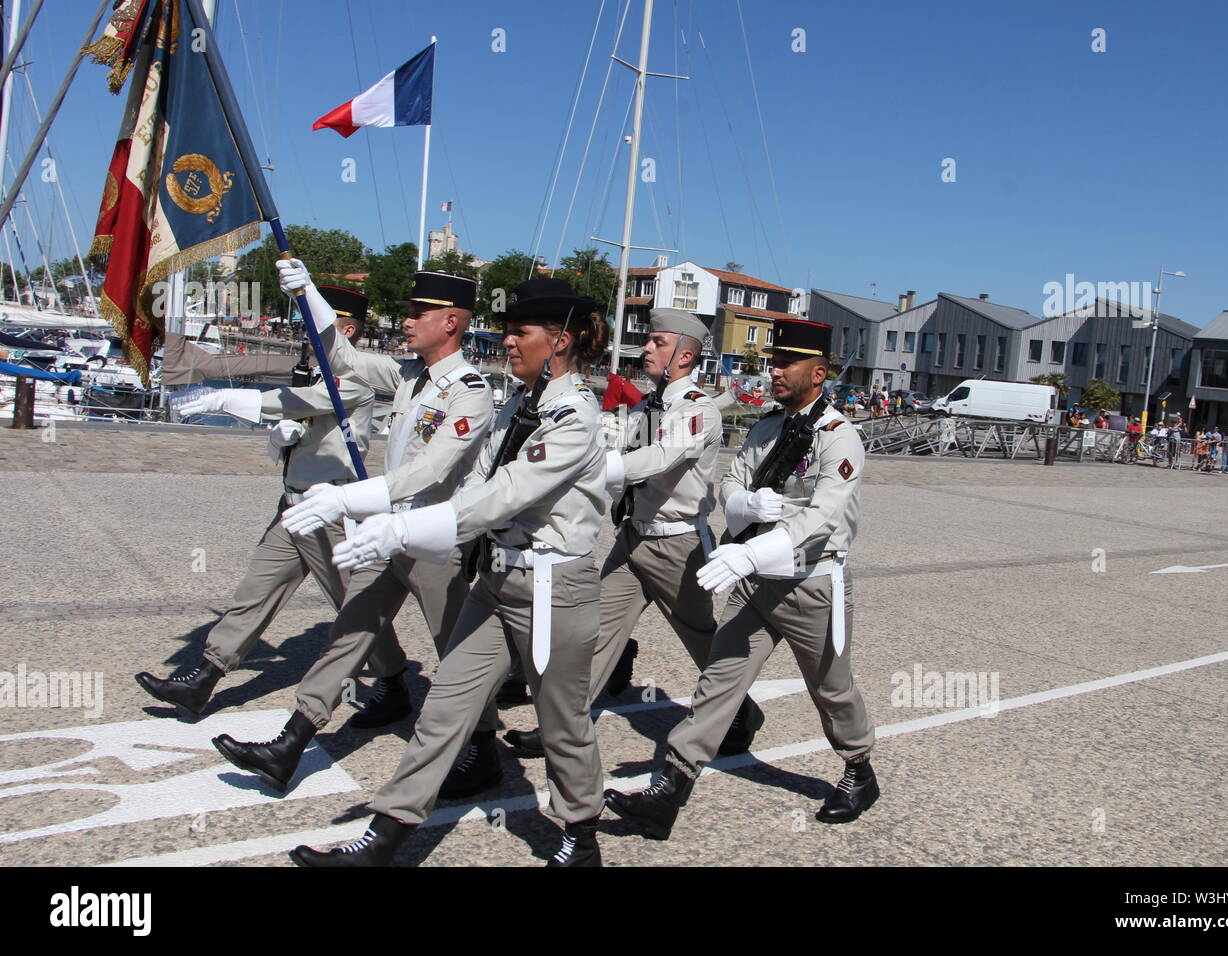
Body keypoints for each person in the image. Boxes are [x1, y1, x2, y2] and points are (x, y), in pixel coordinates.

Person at [289, 277, 611, 867]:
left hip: (551, 589)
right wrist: (372, 506)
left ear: (560, 339)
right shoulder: (520, 403)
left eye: (520, 332)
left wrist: (402, 529)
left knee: (561, 723)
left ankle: (580, 832)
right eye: (508, 331)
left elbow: (505, 496)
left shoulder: (576, 417)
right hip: (496, 581)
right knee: (442, 710)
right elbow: (478, 483)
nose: (508, 342)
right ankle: (383, 839)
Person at [208, 266, 496, 797]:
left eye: (418, 313)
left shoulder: (470, 392)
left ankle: (483, 748)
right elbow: (342, 357)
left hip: (437, 540)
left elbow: (432, 470)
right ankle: (290, 744)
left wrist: (348, 499)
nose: (407, 321)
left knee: (456, 652)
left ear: (451, 322)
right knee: (349, 630)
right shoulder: (409, 375)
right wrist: (309, 296)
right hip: (389, 533)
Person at [604, 317, 878, 842]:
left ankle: (859, 768)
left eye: (786, 364)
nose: (773, 371)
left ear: (818, 373)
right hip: (755, 584)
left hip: (810, 584)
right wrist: (742, 503)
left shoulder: (839, 438)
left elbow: (822, 514)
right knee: (718, 682)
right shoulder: (766, 428)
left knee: (831, 688)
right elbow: (732, 477)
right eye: (773, 362)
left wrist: (753, 552)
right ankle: (670, 791)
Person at [505, 308, 762, 760]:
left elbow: (661, 457)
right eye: (649, 340)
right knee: (595, 631)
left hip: (677, 545)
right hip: (633, 537)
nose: (646, 348)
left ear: (684, 356)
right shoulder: (647, 405)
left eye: (658, 342)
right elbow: (617, 447)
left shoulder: (699, 410)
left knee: (701, 637)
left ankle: (740, 708)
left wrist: (592, 470)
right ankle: (561, 729)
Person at [136, 288, 401, 721]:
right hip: (293, 507)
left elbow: (297, 404)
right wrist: (278, 441)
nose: (307, 334)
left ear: (346, 330)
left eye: (320, 325)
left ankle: (392, 681)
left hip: (330, 511)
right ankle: (204, 676)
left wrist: (222, 398)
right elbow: (296, 435)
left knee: (353, 607)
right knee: (255, 592)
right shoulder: (314, 373)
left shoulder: (353, 379)